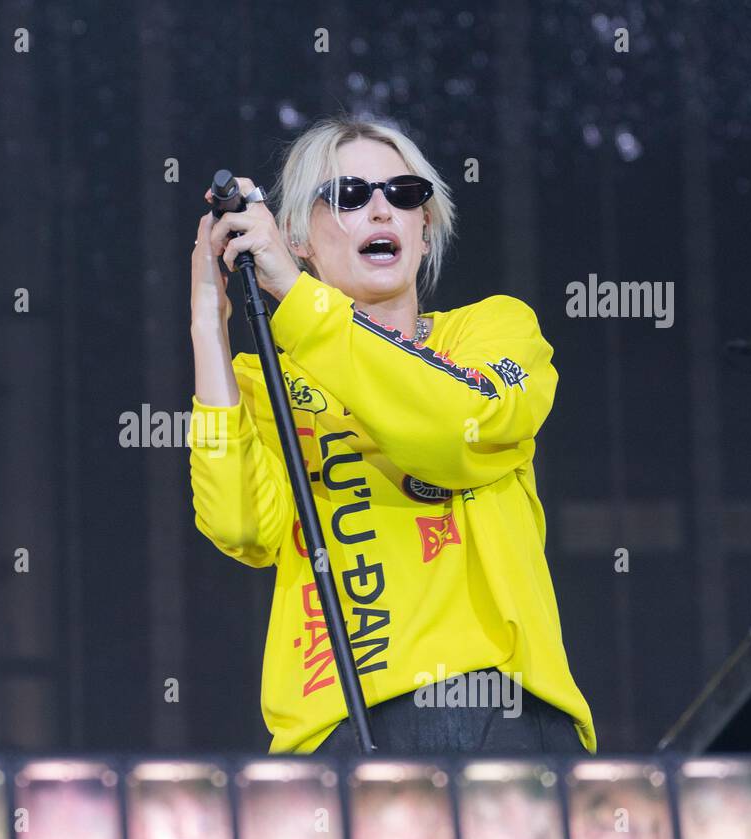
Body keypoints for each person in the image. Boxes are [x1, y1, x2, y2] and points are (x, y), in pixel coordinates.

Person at [187, 114, 596, 757]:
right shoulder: (265, 382)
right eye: (349, 195)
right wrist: (207, 324)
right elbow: (242, 527)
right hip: (342, 725)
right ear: (297, 237)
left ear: (424, 231)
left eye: (404, 195)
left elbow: (450, 428)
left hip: (507, 712)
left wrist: (295, 300)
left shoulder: (492, 331)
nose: (382, 209)